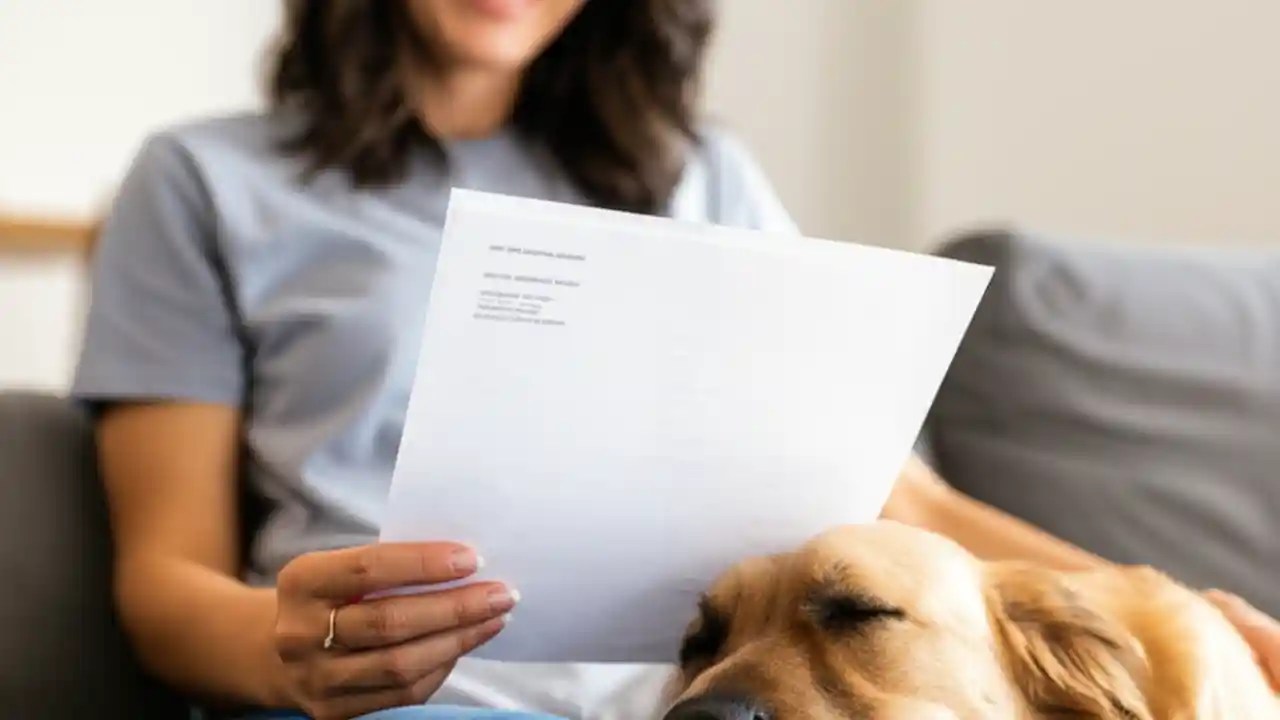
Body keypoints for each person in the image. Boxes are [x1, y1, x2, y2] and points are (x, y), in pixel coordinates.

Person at [72, 1, 1279, 719]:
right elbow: (163, 578)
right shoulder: (202, 182)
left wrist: (1170, 605)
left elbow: (894, 496)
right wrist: (298, 663)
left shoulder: (697, 178)